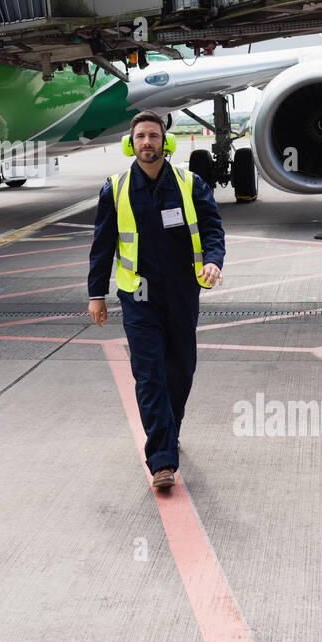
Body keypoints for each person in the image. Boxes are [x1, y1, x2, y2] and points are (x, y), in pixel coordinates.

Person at [87, 111, 226, 490]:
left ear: (165, 142)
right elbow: (102, 247)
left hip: (182, 291)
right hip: (138, 296)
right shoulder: (114, 189)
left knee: (181, 370)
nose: (147, 142)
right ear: (129, 143)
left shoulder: (189, 183)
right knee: (150, 374)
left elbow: (213, 226)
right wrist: (96, 294)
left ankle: (169, 429)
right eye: (140, 136)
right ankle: (162, 461)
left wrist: (213, 260)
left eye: (153, 136)